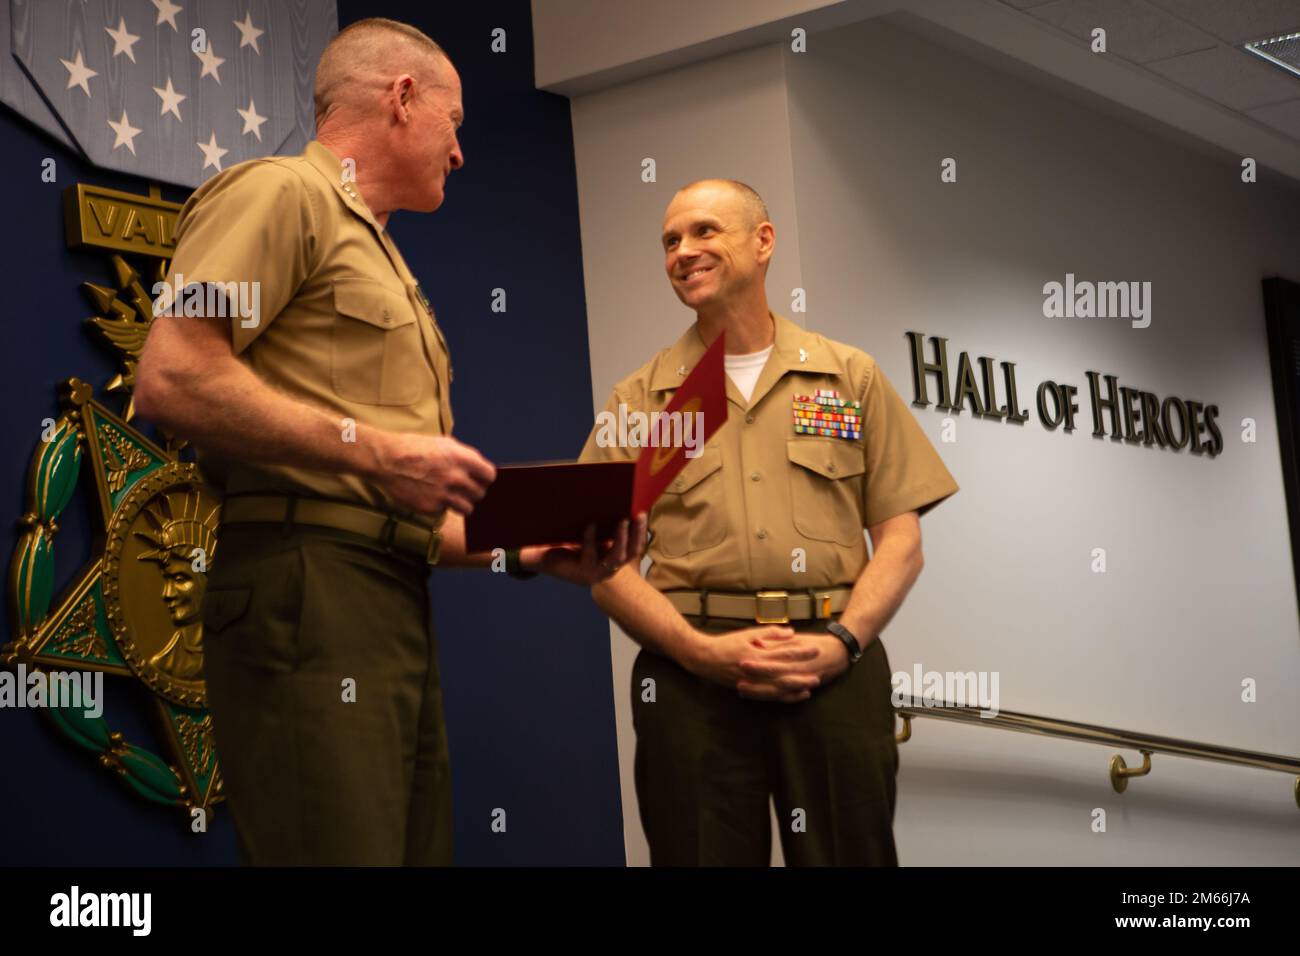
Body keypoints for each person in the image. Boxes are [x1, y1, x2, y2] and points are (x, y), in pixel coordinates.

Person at [135, 18, 644, 866]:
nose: (459, 153)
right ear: (402, 99)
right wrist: (375, 449)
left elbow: (395, 507)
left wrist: (528, 552)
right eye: (455, 123)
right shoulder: (278, 193)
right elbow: (172, 377)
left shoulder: (383, 257)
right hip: (306, 587)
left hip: (385, 595)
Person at [578, 179, 958, 866]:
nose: (682, 251)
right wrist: (699, 652)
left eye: (703, 232)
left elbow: (900, 539)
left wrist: (844, 641)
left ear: (764, 241)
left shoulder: (849, 378)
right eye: (669, 241)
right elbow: (602, 563)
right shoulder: (643, 399)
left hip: (834, 664)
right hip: (688, 674)